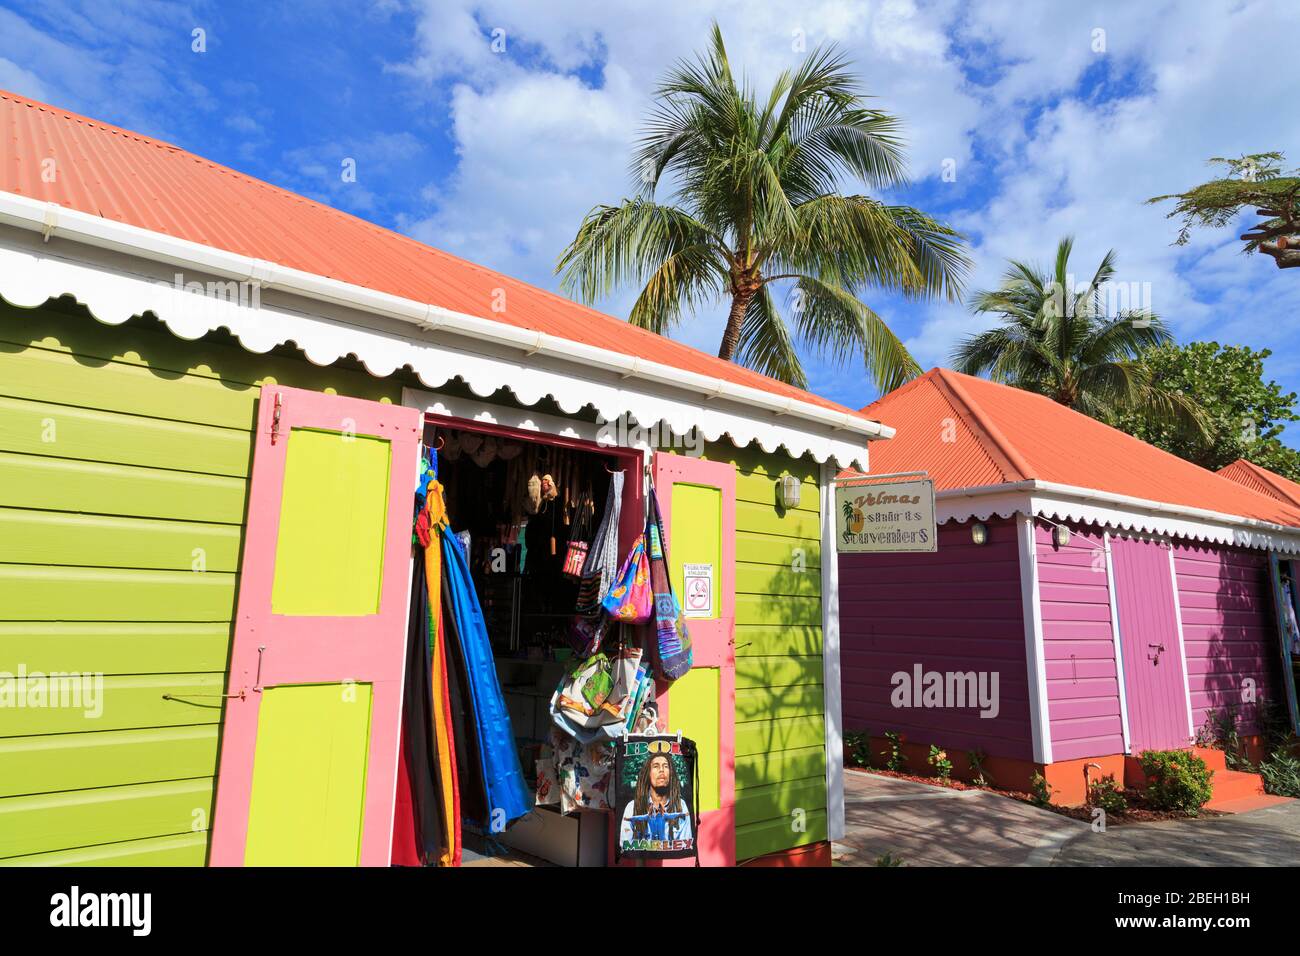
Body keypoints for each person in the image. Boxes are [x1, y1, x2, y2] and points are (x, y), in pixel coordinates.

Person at [619, 751, 693, 849]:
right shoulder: (632, 807)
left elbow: (685, 846)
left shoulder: (680, 806)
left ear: (671, 774)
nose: (661, 770)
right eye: (656, 766)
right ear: (648, 774)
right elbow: (625, 845)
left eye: (666, 766)